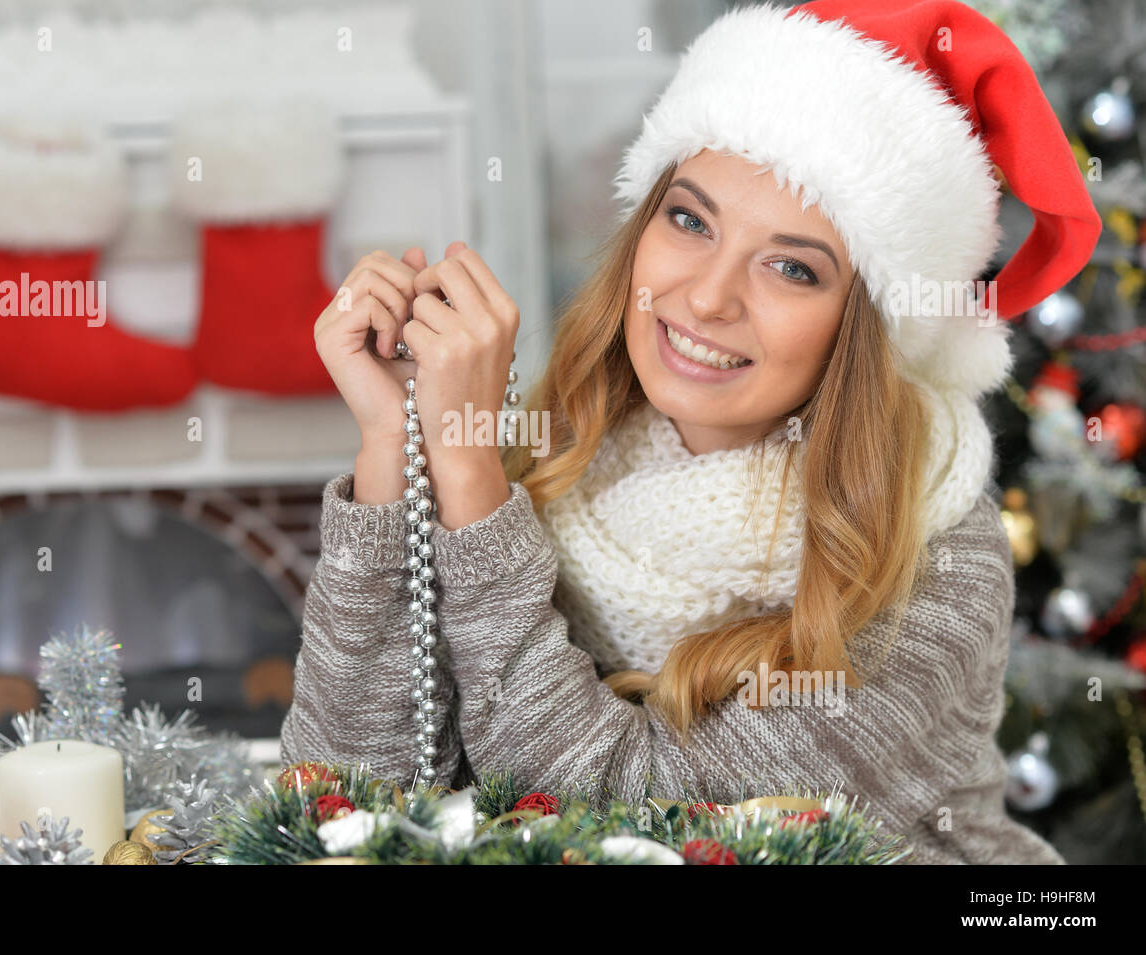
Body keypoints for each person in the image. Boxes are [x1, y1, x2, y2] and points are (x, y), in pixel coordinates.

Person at [280, 0, 1102, 864]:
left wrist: (472, 485)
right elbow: (340, 799)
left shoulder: (931, 556)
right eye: (690, 220)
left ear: (865, 329)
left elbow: (640, 831)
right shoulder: (558, 452)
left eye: (792, 267)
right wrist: (394, 449)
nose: (708, 297)